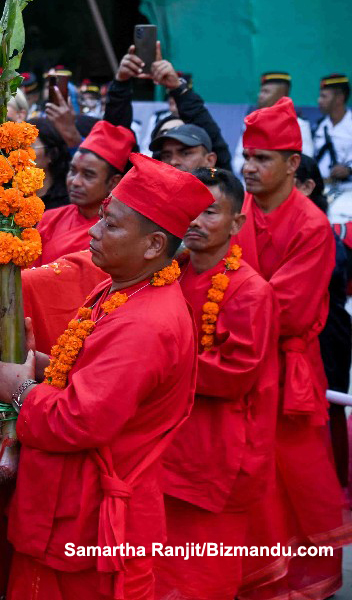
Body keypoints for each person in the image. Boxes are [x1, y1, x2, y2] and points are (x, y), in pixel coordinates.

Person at [0, 152, 213, 600]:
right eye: (102, 218)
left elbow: (81, 418)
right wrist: (35, 361)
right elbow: (91, 374)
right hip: (70, 504)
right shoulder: (121, 288)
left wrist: (20, 388)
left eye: (111, 225)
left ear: (152, 247)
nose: (93, 231)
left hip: (89, 519)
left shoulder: (146, 322)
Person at [235, 97, 352, 598]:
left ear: (293, 163)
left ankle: (303, 585)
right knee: (249, 479)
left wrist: (218, 308)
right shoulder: (236, 208)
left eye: (263, 158)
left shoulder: (311, 227)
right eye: (247, 156)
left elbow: (288, 311)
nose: (249, 167)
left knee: (297, 480)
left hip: (285, 373)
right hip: (238, 364)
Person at [156, 167, 279, 600]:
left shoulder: (250, 291)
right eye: (189, 210)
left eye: (209, 212)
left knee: (201, 577)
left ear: (236, 223)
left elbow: (235, 374)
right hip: (166, 444)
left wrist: (155, 368)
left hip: (215, 453)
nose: (194, 222)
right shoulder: (169, 274)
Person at [294, 155, 351, 488]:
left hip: (326, 336)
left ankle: (332, 482)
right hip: (302, 333)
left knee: (327, 411)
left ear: (306, 186)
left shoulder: (322, 233)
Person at [104, 43, 232, 170]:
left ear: (209, 160)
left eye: (185, 152)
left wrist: (177, 87)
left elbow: (212, 138)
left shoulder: (218, 184)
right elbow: (117, 138)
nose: (174, 161)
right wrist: (120, 83)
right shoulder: (144, 184)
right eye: (166, 154)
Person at [35, 121, 134, 265]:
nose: (75, 181)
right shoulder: (50, 219)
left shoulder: (118, 232)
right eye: (73, 171)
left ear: (113, 183)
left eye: (88, 175)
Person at [312, 73, 351, 184]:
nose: (319, 100)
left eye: (324, 96)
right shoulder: (319, 126)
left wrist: (348, 170)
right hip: (320, 187)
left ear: (339, 98)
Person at [29, 117, 72, 210]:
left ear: (52, 154)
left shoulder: (66, 201)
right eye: (18, 146)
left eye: (30, 147)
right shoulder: (9, 193)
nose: (20, 153)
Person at [149, 123, 216, 172]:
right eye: (167, 156)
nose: (173, 162)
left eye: (185, 153)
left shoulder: (221, 190)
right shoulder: (150, 190)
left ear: (209, 160)